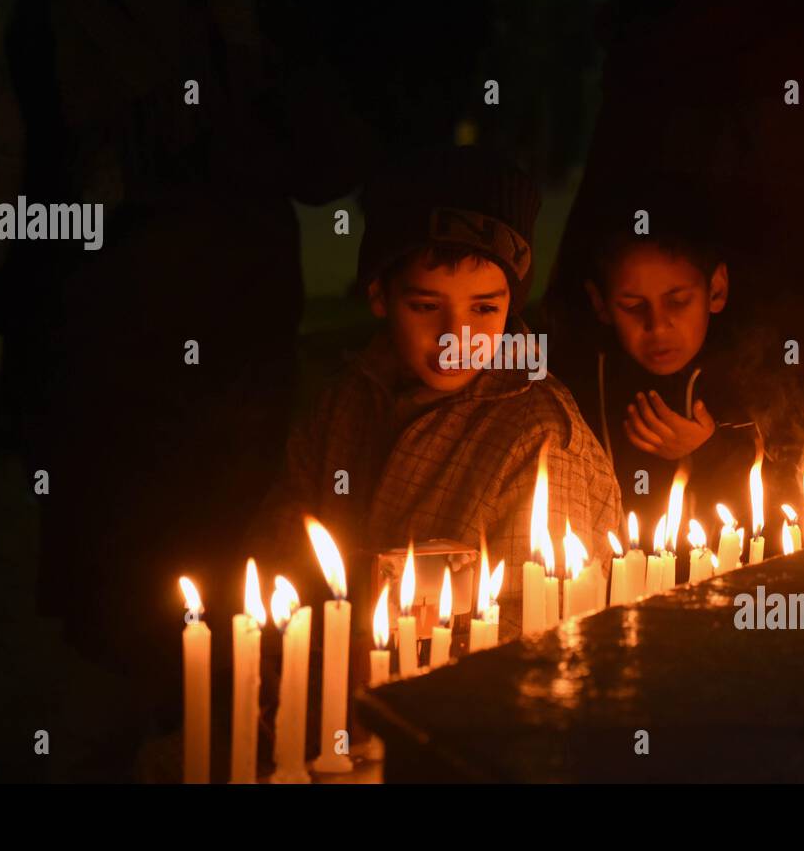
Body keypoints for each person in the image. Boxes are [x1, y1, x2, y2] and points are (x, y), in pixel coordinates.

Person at [546, 0, 804, 495]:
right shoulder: (645, 35)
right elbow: (612, 189)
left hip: (783, 342)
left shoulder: (801, 38)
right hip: (650, 328)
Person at [242, 146, 624, 638]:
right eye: (425, 306)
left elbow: (536, 626)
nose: (454, 337)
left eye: (483, 309)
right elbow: (280, 548)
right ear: (379, 295)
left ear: (511, 305)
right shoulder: (343, 403)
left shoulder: (540, 435)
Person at [568, 189, 756, 539]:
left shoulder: (752, 379)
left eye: (678, 301)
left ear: (716, 290)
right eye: (633, 306)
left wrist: (708, 449)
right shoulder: (578, 385)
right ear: (600, 303)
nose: (657, 325)